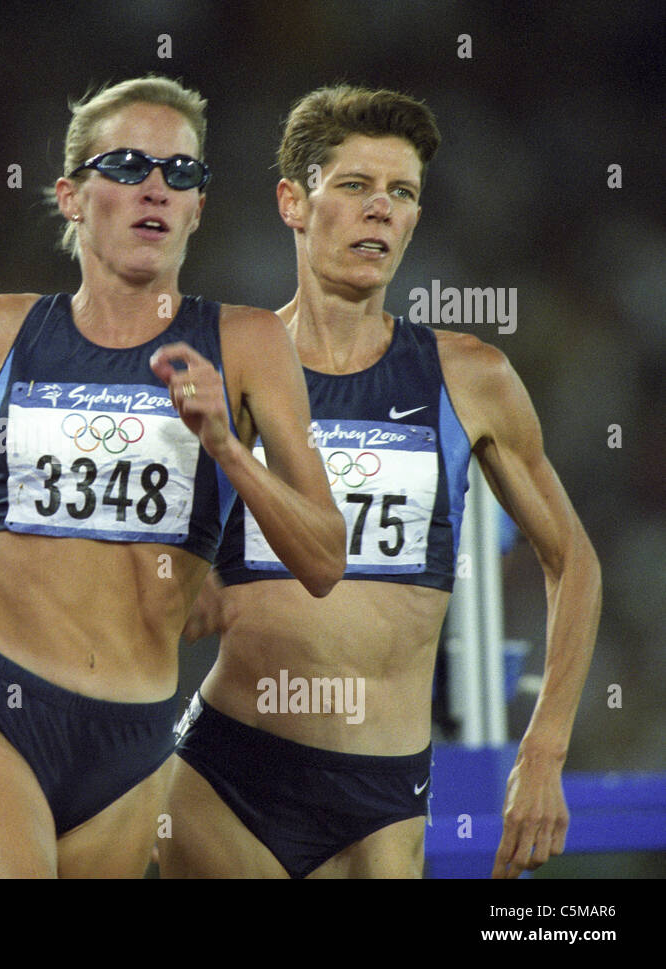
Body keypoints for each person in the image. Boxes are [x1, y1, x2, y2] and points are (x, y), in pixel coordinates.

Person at [0, 75, 345, 877]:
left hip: (131, 748)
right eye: (128, 166)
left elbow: (324, 559)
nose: (157, 190)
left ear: (199, 206)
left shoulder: (249, 344)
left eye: (181, 173)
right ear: (69, 196)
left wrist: (228, 449)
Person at [161, 85, 601, 879]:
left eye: (402, 193)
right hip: (225, 773)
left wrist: (544, 749)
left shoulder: (470, 377)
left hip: (382, 795)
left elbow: (575, 562)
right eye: (357, 187)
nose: (381, 211)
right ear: (294, 201)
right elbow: (146, 560)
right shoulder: (226, 363)